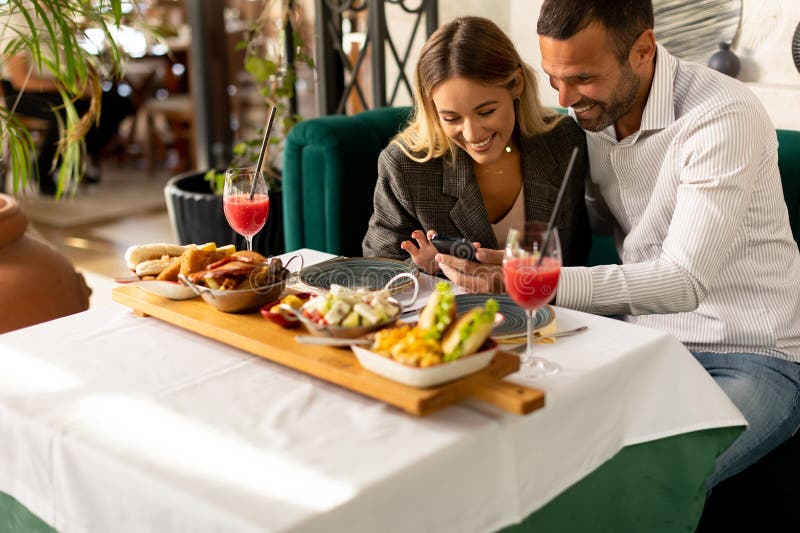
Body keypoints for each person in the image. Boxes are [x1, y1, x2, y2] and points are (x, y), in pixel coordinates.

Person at [526, 0, 800, 491]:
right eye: (554, 78)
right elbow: (579, 222)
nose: (566, 98)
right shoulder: (592, 116)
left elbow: (683, 281)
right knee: (529, 436)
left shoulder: (722, 115)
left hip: (756, 354)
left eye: (583, 79)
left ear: (643, 50)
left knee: (647, 480)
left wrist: (539, 283)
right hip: (645, 341)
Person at [362, 16, 591, 287]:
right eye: (451, 118)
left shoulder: (563, 141)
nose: (472, 134)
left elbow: (576, 256)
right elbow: (377, 272)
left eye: (486, 111)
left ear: (516, 83)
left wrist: (529, 277)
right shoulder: (405, 167)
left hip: (548, 318)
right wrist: (423, 268)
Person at [1, 10, 133, 196]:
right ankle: (43, 169)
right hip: (22, 93)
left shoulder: (55, 15)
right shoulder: (16, 16)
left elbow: (68, 61)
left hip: (57, 87)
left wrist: (82, 83)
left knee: (118, 104)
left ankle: (74, 160)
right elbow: (20, 80)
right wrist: (67, 87)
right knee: (66, 111)